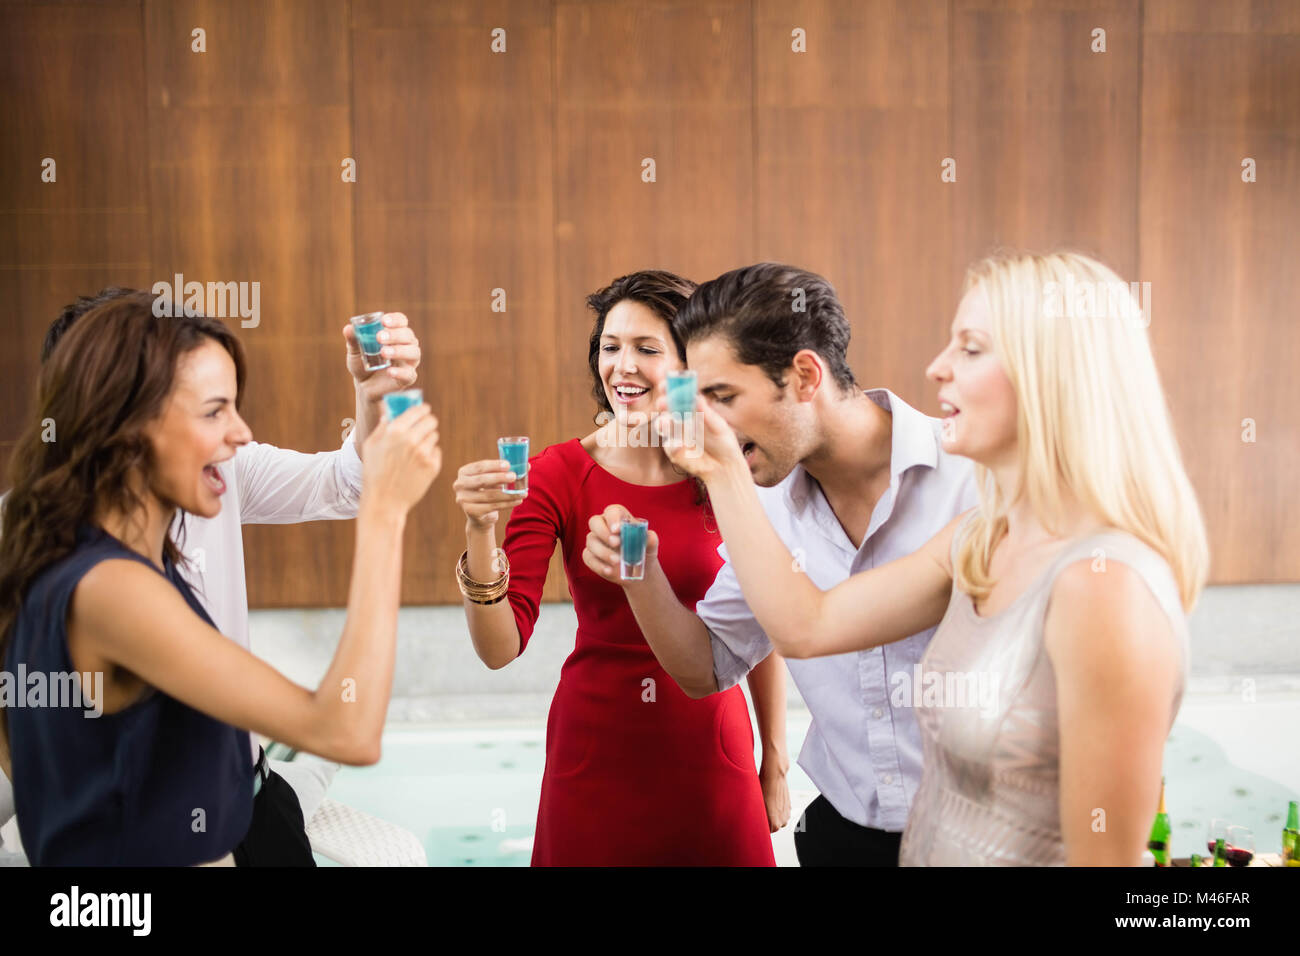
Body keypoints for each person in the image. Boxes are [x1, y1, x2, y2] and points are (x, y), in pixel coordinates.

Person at [647, 251, 1208, 865]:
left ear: (1052, 375)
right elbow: (808, 626)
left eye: (970, 348)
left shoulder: (1104, 586)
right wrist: (719, 480)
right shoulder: (980, 536)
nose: (936, 368)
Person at [0, 293, 440, 865]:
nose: (240, 434)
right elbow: (346, 731)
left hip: (244, 806)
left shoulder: (88, 554)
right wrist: (388, 511)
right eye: (214, 411)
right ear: (125, 425)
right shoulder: (113, 589)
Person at [582, 262, 978, 866]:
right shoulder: (761, 503)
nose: (704, 422)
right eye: (697, 397)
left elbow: (807, 627)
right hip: (845, 840)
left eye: (723, 396)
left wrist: (721, 475)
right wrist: (639, 575)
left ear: (803, 376)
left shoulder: (974, 485)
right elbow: (706, 667)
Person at [451, 271, 784, 866]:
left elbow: (765, 616)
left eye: (646, 349)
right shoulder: (556, 474)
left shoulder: (726, 468)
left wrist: (774, 759)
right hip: (594, 759)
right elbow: (499, 647)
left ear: (691, 366)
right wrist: (480, 532)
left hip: (713, 753)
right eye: (610, 347)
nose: (622, 367)